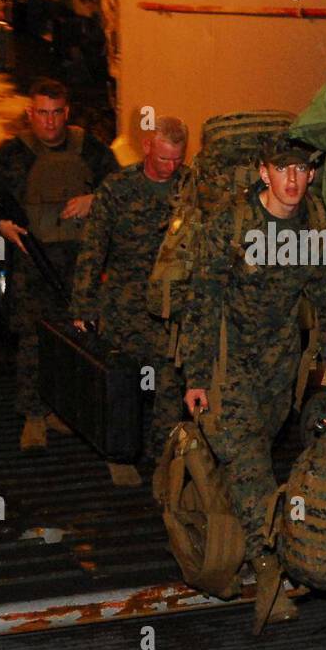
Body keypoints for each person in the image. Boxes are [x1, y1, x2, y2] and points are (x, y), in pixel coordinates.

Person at [182, 136, 326, 635]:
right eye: (281, 170)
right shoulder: (230, 222)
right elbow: (203, 299)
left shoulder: (315, 223)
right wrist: (197, 376)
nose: (292, 180)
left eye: (301, 170)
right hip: (230, 362)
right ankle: (271, 576)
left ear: (311, 175)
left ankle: (222, 548)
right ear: (263, 173)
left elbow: (325, 300)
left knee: (252, 467)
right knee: (250, 463)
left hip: (279, 366)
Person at [0, 78, 118, 451]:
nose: (49, 122)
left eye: (56, 113)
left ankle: (65, 409)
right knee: (32, 339)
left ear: (67, 112)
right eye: (42, 113)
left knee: (78, 339)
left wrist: (96, 199)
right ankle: (33, 415)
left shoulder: (91, 150)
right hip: (33, 266)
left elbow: (122, 189)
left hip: (81, 264)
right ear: (30, 113)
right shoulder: (12, 154)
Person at [69, 116, 189, 469]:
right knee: (126, 388)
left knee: (168, 389)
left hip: (171, 312)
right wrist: (83, 306)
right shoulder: (117, 189)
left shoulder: (192, 188)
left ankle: (161, 464)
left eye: (177, 159)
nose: (170, 166)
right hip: (125, 311)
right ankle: (120, 456)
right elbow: (93, 251)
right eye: (163, 158)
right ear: (148, 147)